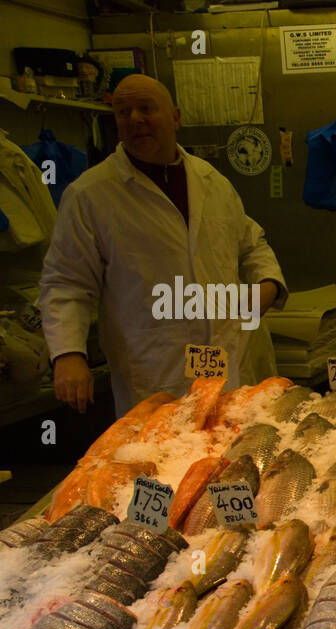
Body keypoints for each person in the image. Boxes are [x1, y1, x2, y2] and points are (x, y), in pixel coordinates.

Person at [40, 74, 287, 416]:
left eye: (146, 108)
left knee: (230, 456)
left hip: (228, 357)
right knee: (159, 460)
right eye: (123, 112)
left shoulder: (212, 181)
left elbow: (251, 243)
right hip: (156, 368)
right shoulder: (90, 195)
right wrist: (68, 354)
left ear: (175, 117)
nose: (134, 119)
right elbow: (65, 281)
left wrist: (268, 285)